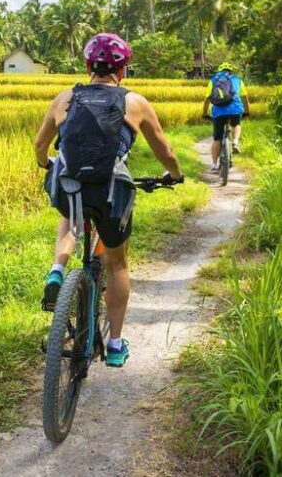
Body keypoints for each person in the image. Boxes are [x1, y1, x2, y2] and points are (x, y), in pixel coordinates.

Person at [33, 33, 184, 368]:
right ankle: (115, 344)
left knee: (70, 210)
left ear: (88, 67)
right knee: (117, 264)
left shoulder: (64, 98)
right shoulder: (136, 102)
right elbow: (166, 152)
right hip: (112, 192)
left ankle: (58, 270)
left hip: (70, 185)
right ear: (123, 70)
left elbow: (40, 145)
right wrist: (174, 175)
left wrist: (47, 165)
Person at [202, 62, 250, 170]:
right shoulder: (237, 79)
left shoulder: (214, 80)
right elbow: (245, 98)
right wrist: (247, 111)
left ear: (220, 71)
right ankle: (236, 141)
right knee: (236, 124)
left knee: (217, 138)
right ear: (231, 71)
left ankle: (214, 164)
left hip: (218, 112)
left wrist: (204, 114)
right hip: (235, 109)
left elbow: (206, 100)